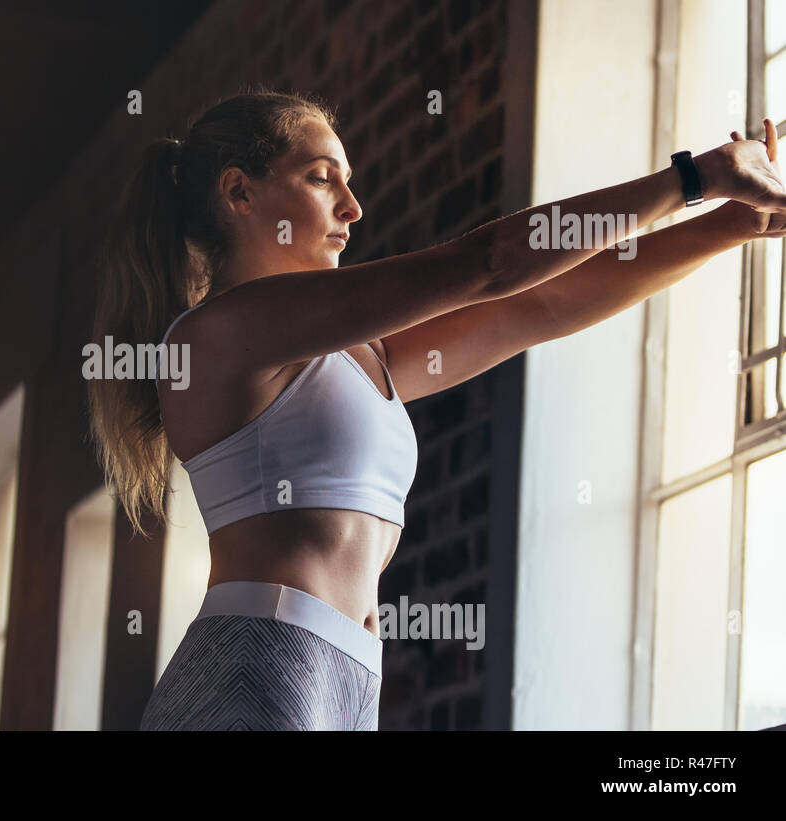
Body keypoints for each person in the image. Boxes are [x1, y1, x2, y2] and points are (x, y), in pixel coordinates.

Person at [84, 87, 786, 730]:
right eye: (323, 178)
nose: (352, 208)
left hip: (347, 676)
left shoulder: (359, 355)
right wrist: (694, 178)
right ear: (240, 192)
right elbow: (489, 263)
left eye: (348, 183)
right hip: (257, 664)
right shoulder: (219, 334)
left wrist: (727, 224)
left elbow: (539, 304)